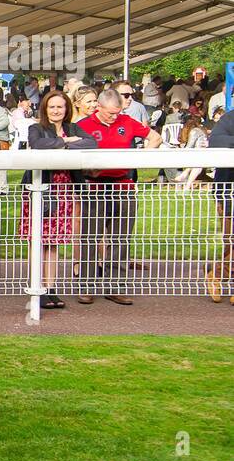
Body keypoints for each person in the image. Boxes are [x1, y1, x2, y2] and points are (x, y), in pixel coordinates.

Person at [74, 87, 161, 305]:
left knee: (120, 238)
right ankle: (86, 286)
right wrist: (85, 171)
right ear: (99, 107)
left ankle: (116, 286)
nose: (114, 116)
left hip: (123, 187)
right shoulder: (83, 126)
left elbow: (155, 137)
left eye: (117, 112)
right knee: (90, 238)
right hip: (94, 188)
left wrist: (142, 158)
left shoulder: (127, 122)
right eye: (110, 113)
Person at [21, 91, 97, 309]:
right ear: (45, 108)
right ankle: (38, 286)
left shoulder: (74, 128)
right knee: (38, 241)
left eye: (60, 107)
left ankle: (51, 287)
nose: (56, 111)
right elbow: (37, 144)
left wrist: (63, 142)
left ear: (67, 109)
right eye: (52, 107)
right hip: (41, 188)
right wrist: (65, 141)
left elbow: (90, 143)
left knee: (54, 242)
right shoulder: (36, 128)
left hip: (64, 190)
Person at [205, 108, 234, 303]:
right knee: (231, 240)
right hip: (229, 191)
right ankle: (216, 274)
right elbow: (216, 141)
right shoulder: (229, 119)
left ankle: (218, 274)